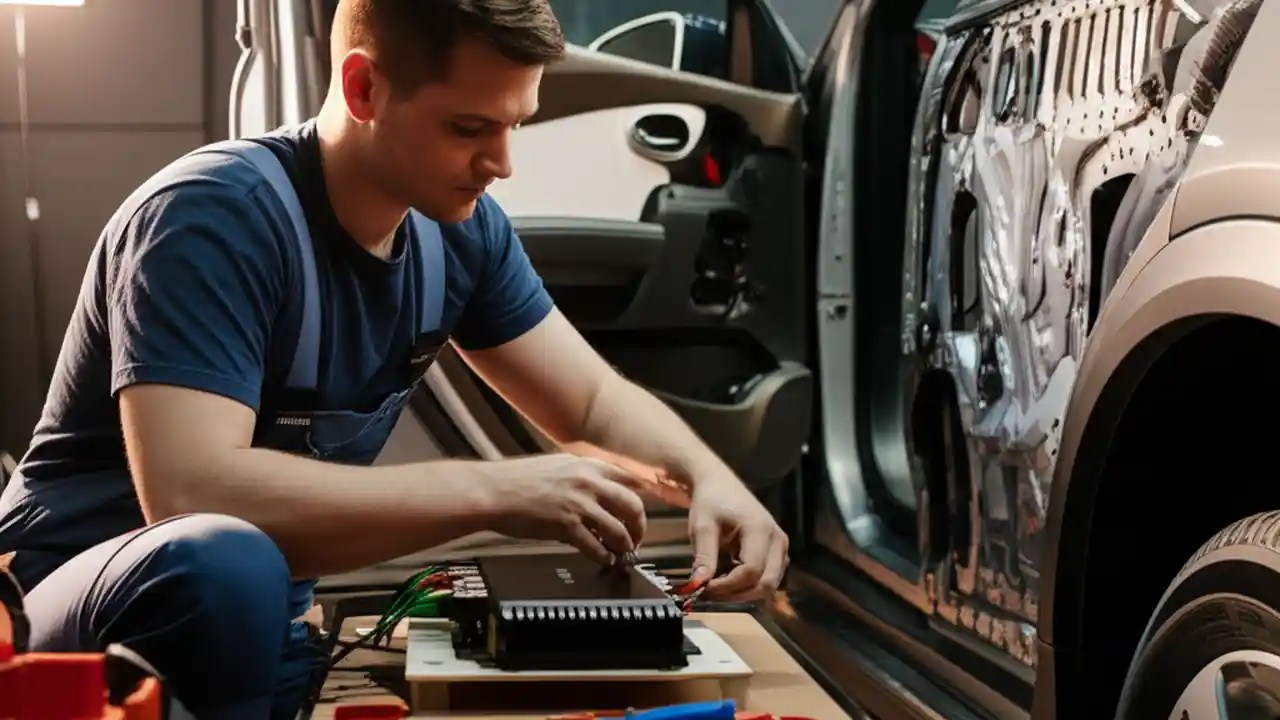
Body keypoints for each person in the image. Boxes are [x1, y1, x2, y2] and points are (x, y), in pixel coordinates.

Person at [0, 0, 790, 717]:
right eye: (470, 128)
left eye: (517, 124)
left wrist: (708, 480)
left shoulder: (462, 232)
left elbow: (588, 406)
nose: (502, 162)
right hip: (70, 613)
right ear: (363, 87)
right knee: (226, 562)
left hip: (260, 623)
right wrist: (492, 489)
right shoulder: (208, 220)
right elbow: (190, 494)